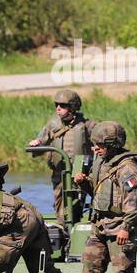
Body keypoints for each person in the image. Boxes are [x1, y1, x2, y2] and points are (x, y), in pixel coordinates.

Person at [72, 121, 137, 273]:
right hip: (99, 228)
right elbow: (97, 189)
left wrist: (126, 227)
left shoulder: (127, 168)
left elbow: (134, 200)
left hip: (118, 229)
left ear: (113, 145)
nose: (95, 148)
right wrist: (84, 182)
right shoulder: (101, 161)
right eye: (94, 144)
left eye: (100, 145)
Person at [26, 89, 93, 226]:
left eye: (62, 106)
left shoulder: (85, 125)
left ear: (73, 107)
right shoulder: (53, 124)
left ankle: (74, 226)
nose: (58, 108)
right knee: (60, 202)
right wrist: (37, 143)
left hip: (79, 173)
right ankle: (63, 229)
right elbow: (42, 138)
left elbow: (100, 136)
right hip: (60, 173)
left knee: (77, 203)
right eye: (56, 105)